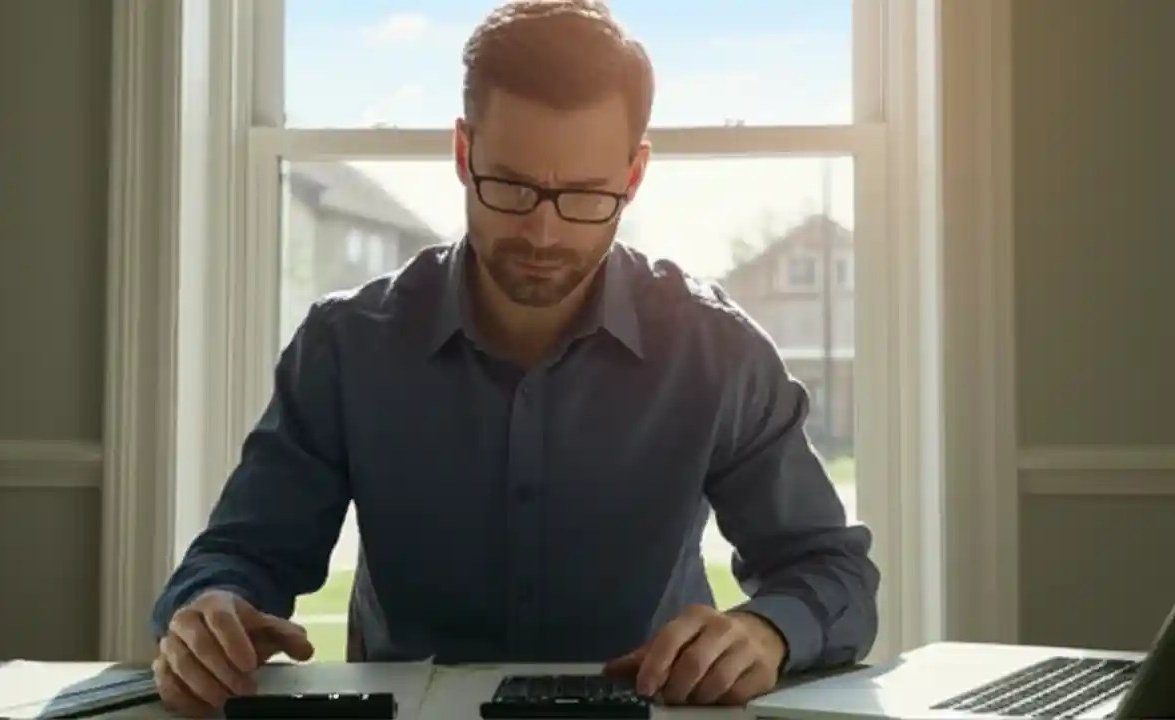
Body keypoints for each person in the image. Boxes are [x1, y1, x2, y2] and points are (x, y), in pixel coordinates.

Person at [149, 1, 880, 717]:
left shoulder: (717, 352)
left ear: (633, 176)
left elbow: (831, 569)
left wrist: (767, 631)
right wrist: (209, 612)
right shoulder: (346, 345)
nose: (543, 231)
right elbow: (239, 554)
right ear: (464, 155)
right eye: (513, 186)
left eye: (586, 195)